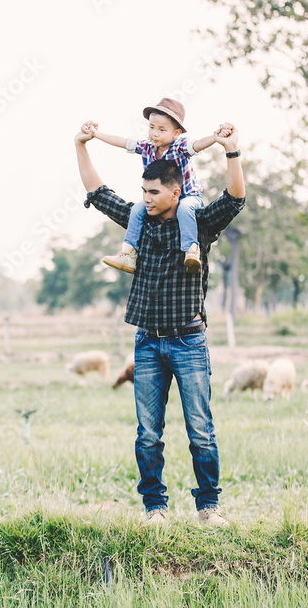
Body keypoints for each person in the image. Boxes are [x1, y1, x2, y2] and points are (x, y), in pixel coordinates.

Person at [73, 120, 246, 527]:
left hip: (189, 342)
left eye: (154, 192)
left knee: (200, 430)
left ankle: (208, 508)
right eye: (144, 192)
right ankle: (155, 508)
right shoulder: (140, 222)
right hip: (148, 343)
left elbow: (235, 199)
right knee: (148, 433)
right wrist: (81, 145)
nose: (147, 199)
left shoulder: (198, 224)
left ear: (175, 191)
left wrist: (232, 153)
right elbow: (98, 193)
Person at [82, 98, 219, 275]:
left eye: (162, 130)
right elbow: (123, 142)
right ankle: (129, 253)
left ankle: (191, 250)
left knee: (185, 209)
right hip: (161, 199)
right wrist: (95, 134)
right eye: (152, 127)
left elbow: (197, 145)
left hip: (187, 196)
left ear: (176, 133)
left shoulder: (180, 146)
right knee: (137, 209)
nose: (154, 133)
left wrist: (215, 138)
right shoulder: (147, 146)